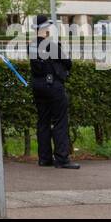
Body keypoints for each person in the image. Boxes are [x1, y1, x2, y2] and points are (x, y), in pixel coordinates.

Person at [29, 15, 79, 169]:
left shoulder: (31, 46)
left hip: (38, 86)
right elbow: (68, 63)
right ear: (44, 28)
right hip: (54, 87)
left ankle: (44, 158)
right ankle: (62, 159)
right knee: (60, 122)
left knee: (43, 121)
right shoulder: (51, 45)